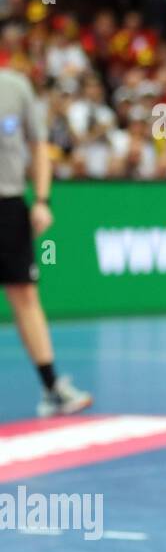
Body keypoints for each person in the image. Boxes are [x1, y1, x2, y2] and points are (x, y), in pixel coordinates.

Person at [0, 67, 92, 418]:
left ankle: (52, 387)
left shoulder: (15, 86)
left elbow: (38, 147)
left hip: (8, 203)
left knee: (25, 294)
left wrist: (41, 199)